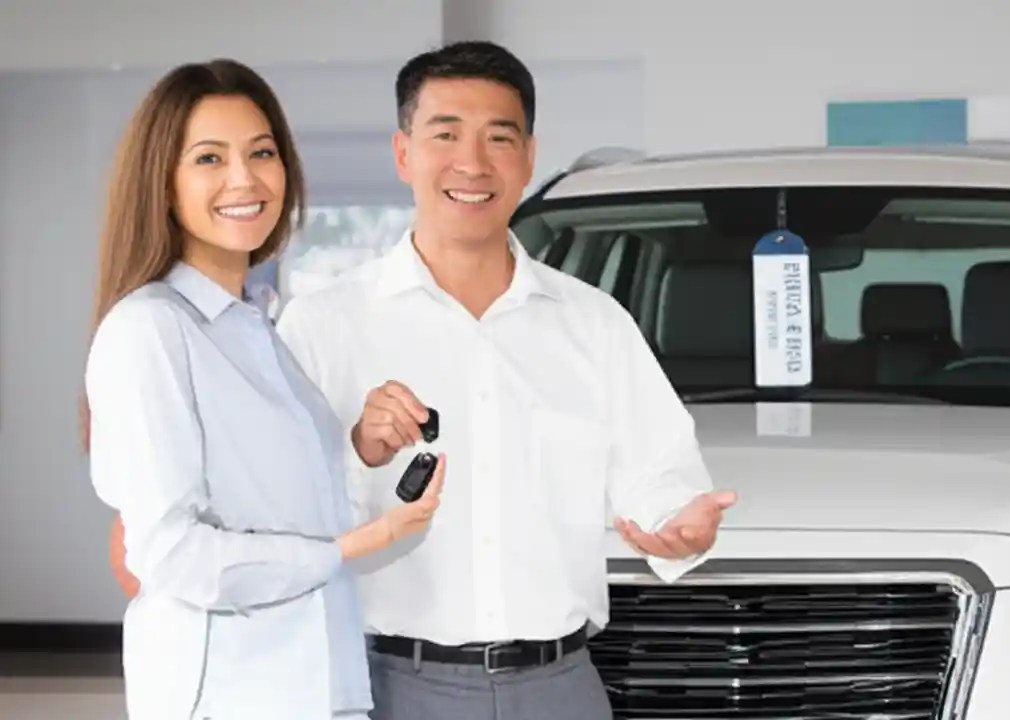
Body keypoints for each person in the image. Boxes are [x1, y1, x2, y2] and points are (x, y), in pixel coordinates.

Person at [270, 40, 737, 719]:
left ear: (528, 157)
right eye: (445, 134)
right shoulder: (322, 325)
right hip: (388, 686)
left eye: (499, 137)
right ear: (403, 154)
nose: (473, 163)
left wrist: (682, 525)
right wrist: (354, 449)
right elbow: (280, 522)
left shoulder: (593, 324)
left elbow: (658, 476)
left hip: (561, 685)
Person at [84, 59, 446, 720]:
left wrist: (359, 450)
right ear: (161, 182)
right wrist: (351, 547)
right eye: (209, 158)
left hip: (319, 686)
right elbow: (173, 557)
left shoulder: (256, 328)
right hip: (231, 696)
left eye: (261, 152)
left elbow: (291, 511)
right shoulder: (148, 331)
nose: (244, 178)